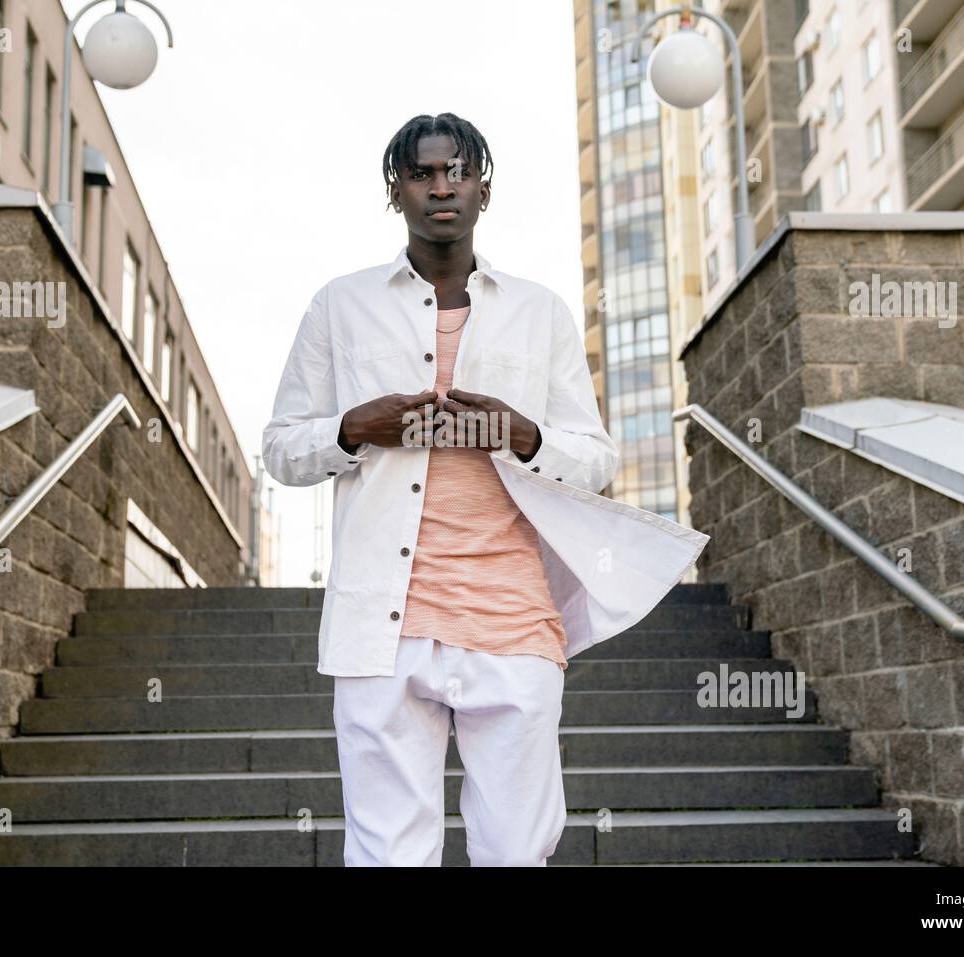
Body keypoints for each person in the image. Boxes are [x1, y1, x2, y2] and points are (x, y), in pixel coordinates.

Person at [262, 112, 707, 866]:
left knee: (515, 849)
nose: (442, 187)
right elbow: (281, 448)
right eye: (422, 173)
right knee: (386, 852)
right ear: (395, 191)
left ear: (483, 190)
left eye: (457, 172)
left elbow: (595, 458)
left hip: (513, 618)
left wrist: (521, 433)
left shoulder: (540, 312)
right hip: (383, 624)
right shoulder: (339, 305)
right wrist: (355, 426)